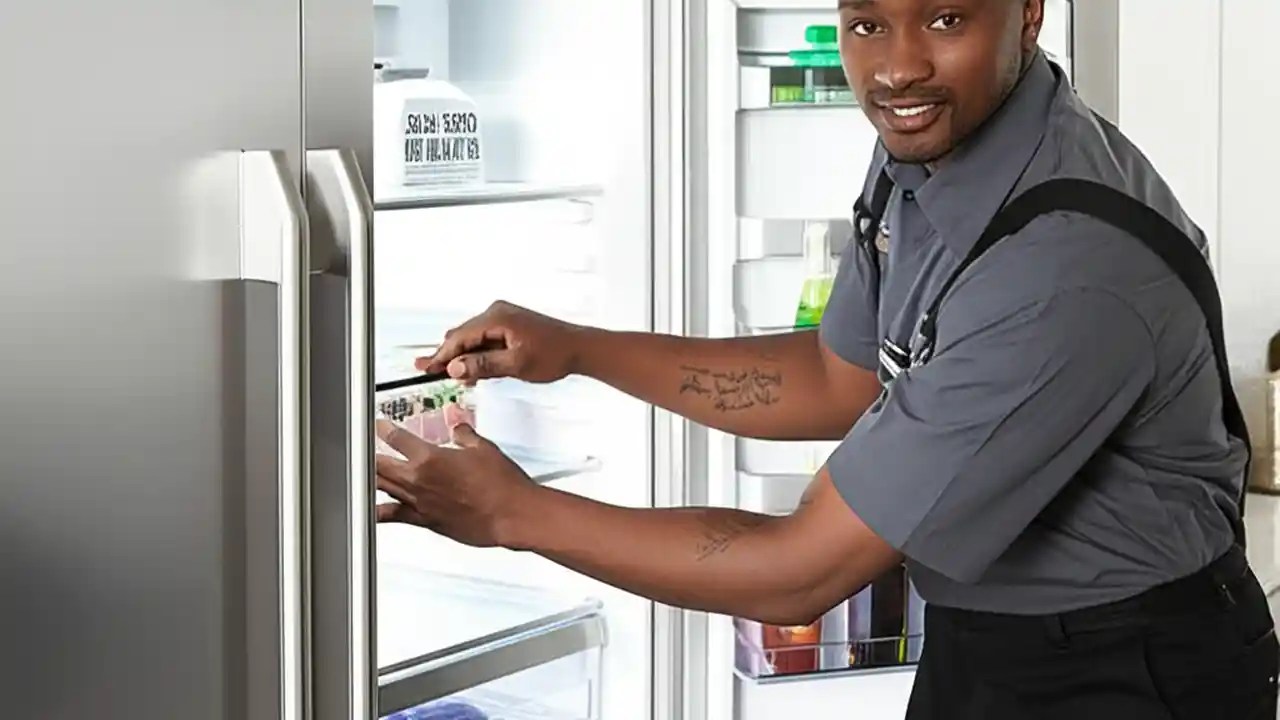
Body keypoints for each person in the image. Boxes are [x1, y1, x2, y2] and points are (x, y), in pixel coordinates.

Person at [373, 0, 1279, 716]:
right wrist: (579, 349)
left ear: (1029, 13)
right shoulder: (934, 143)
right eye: (867, 23)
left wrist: (515, 513)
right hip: (990, 636)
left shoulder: (1063, 272)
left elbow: (800, 571)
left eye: (946, 19)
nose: (898, 67)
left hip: (1130, 667)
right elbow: (834, 377)